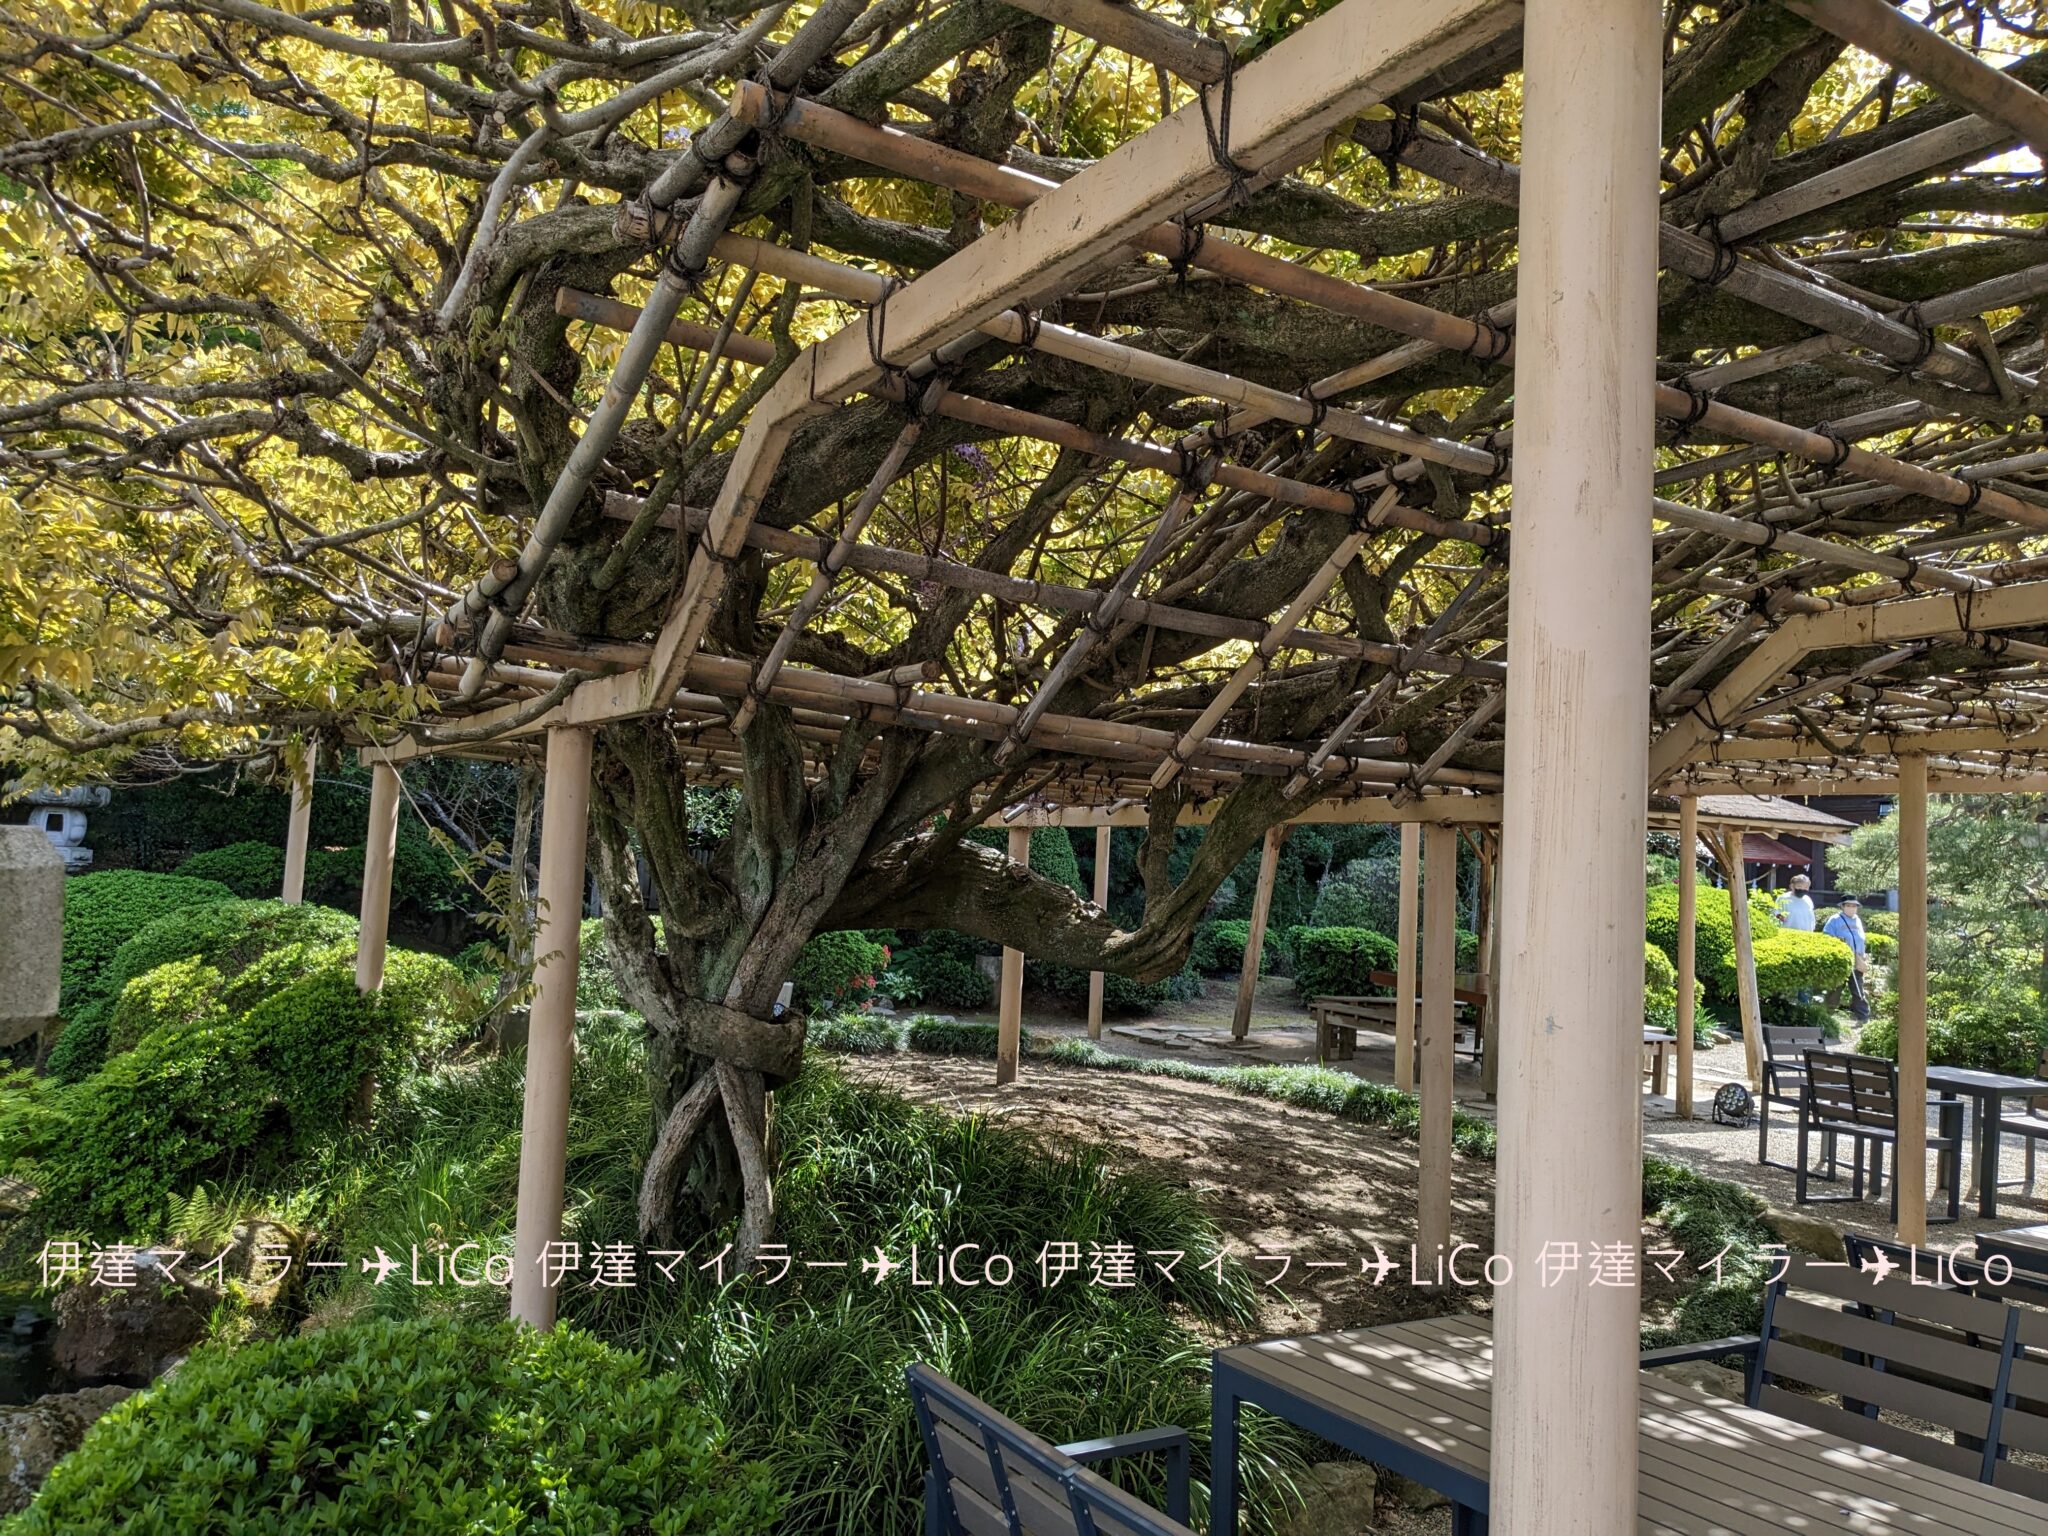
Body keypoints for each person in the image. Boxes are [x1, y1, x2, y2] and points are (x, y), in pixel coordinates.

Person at [1822, 897, 1870, 1021]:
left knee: (1858, 990)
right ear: (1842, 906)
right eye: (1849, 905)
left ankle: (1863, 1017)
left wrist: (1862, 956)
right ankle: (1827, 1016)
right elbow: (1826, 937)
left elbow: (1860, 940)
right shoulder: (1835, 920)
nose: (1852, 908)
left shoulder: (1857, 920)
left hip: (1857, 960)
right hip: (1842, 960)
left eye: (1854, 906)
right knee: (1835, 989)